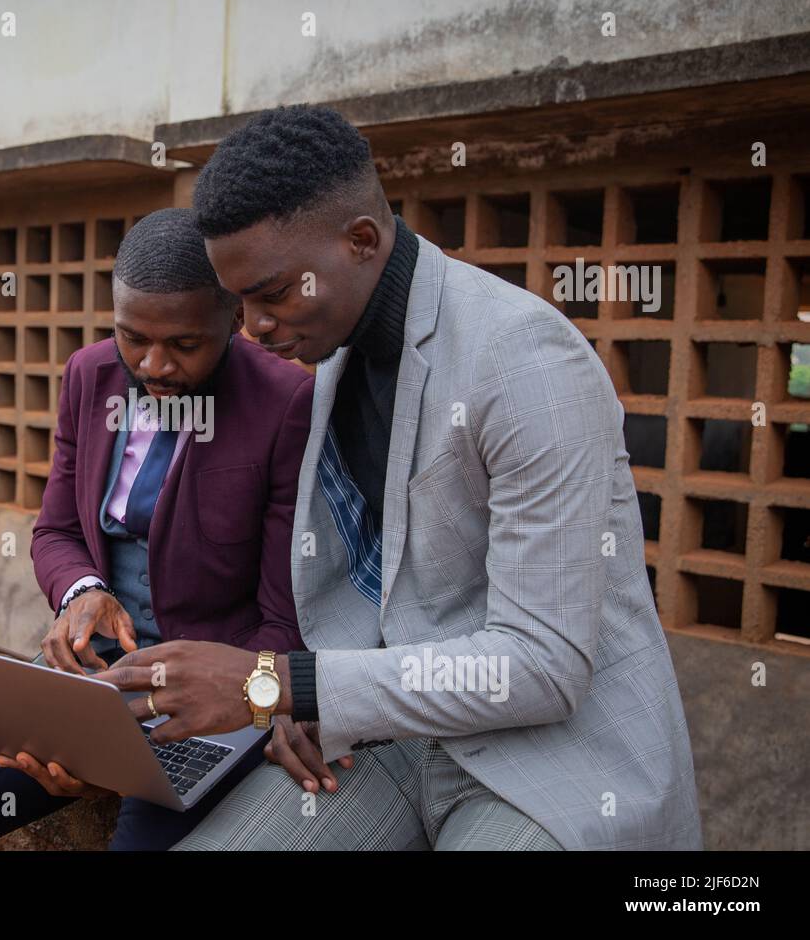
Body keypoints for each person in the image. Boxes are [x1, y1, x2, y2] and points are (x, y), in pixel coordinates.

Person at [97, 105, 703, 851]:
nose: (252, 327)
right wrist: (306, 707)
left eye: (274, 294)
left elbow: (545, 664)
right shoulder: (329, 351)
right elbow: (382, 591)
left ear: (360, 241)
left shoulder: (523, 362)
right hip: (385, 739)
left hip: (549, 754)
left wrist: (280, 683)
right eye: (241, 302)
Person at [0, 207, 313, 850]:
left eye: (183, 344)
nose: (154, 366)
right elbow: (57, 531)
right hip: (86, 682)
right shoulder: (89, 375)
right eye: (132, 337)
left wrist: (254, 705)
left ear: (232, 321)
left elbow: (284, 617)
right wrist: (82, 591)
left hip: (202, 705)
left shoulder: (285, 402)